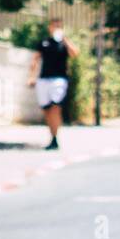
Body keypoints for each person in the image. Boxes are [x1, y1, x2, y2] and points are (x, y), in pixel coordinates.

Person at [26, 18, 77, 150]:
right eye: (54, 26)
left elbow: (75, 54)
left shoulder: (64, 44)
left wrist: (64, 39)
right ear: (50, 27)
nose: (56, 28)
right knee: (47, 110)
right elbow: (35, 60)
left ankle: (55, 138)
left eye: (59, 26)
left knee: (55, 107)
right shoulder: (44, 43)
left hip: (59, 79)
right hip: (43, 80)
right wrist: (31, 77)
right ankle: (53, 137)